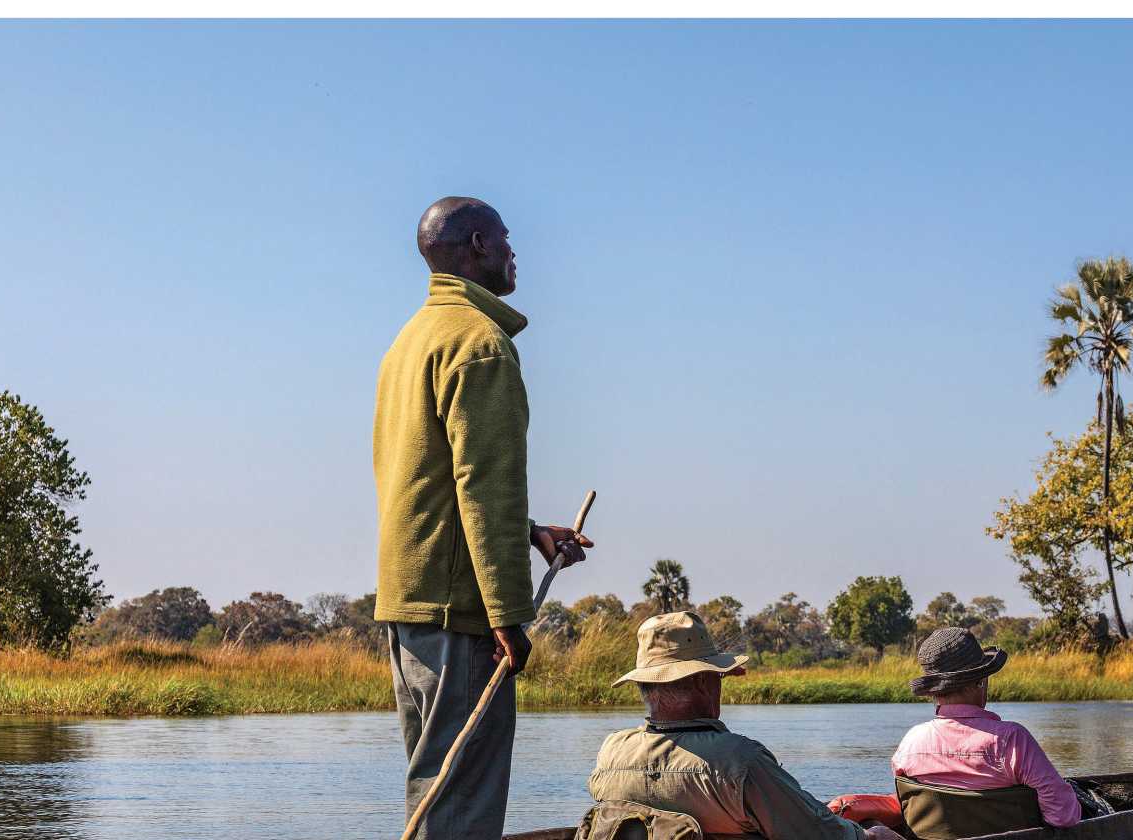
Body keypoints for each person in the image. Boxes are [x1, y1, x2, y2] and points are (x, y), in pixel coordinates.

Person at [374, 195, 592, 839]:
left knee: (436, 788)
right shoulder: (481, 344)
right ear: (476, 246)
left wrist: (530, 534)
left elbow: (435, 478)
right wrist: (509, 615)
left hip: (410, 605)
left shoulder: (410, 342)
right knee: (462, 802)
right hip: (459, 609)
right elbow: (484, 486)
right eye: (504, 239)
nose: (514, 251)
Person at [587, 611, 903, 840]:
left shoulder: (611, 752)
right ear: (701, 682)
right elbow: (821, 834)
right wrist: (872, 834)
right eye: (717, 676)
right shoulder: (740, 760)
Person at [888, 628, 1081, 837]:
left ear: (934, 691)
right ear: (979, 682)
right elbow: (1063, 815)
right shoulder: (1012, 739)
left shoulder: (911, 742)